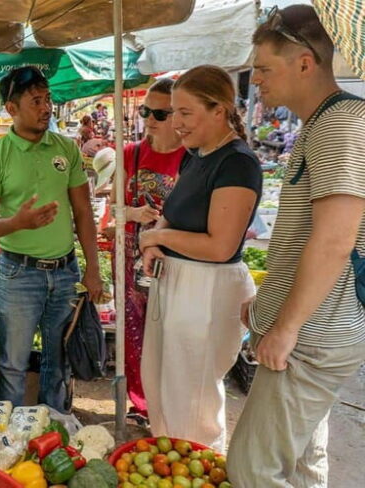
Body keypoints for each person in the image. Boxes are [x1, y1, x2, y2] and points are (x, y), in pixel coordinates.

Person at [228, 6, 365, 486]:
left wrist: (285, 328)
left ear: (305, 62)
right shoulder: (325, 122)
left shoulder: (340, 123)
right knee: (303, 466)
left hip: (314, 336)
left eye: (264, 68)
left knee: (252, 470)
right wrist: (267, 308)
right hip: (317, 328)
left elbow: (334, 238)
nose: (257, 80)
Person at [137, 65, 262, 450]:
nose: (176, 123)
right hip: (174, 282)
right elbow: (173, 211)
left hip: (207, 291)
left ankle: (197, 464)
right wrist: (153, 241)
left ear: (219, 110)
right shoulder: (196, 155)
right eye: (173, 112)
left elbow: (219, 246)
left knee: (193, 400)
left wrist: (155, 235)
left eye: (185, 112)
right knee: (162, 383)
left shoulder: (237, 163)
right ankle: (168, 460)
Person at [0, 66, 102, 412]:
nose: (46, 108)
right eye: (35, 101)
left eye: (48, 99)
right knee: (13, 362)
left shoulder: (66, 148)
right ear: (12, 109)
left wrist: (93, 268)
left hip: (65, 272)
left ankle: (53, 425)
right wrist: (16, 223)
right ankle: (10, 435)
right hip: (19, 274)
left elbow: (84, 211)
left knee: (58, 361)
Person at [103, 78, 186, 425]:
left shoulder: (192, 158)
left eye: (160, 113)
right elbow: (110, 211)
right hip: (129, 260)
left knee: (171, 334)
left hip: (175, 261)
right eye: (145, 111)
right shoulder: (130, 152)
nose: (150, 119)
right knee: (134, 335)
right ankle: (142, 405)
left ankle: (171, 406)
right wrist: (134, 214)